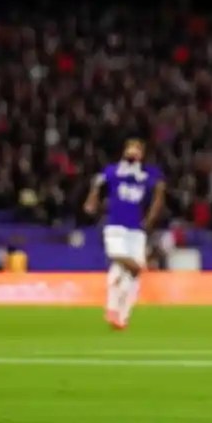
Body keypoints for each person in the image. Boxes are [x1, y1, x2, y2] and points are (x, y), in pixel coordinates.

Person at [83, 138, 166, 330]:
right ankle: (113, 308)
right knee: (127, 263)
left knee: (127, 274)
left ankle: (120, 315)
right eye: (130, 148)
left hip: (136, 230)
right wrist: (91, 201)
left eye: (137, 149)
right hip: (116, 227)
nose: (133, 152)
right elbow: (96, 184)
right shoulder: (113, 171)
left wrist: (150, 218)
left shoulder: (147, 174)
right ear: (124, 151)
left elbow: (160, 193)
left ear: (142, 154)